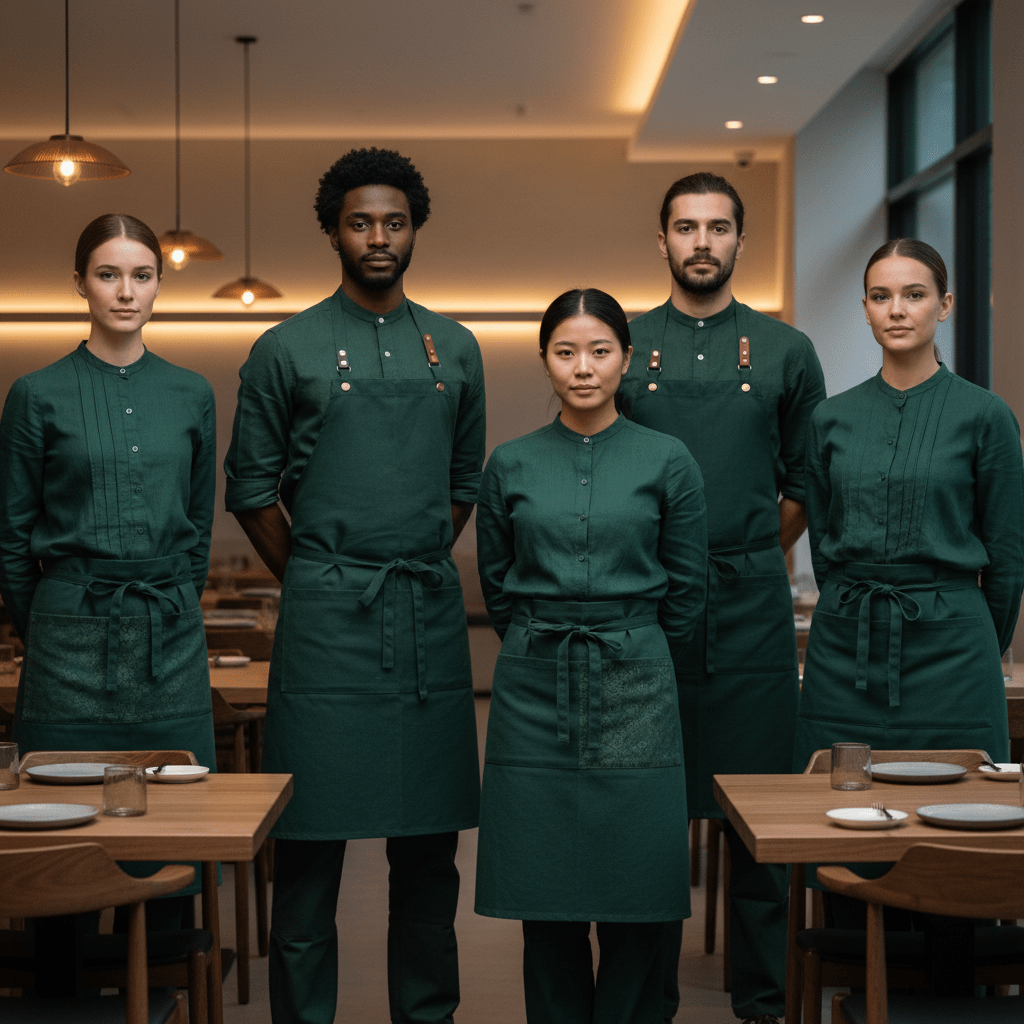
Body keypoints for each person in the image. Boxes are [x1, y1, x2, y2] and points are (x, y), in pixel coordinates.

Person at [224, 147, 484, 1024]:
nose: (379, 237)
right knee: (307, 854)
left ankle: (428, 1014)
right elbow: (250, 487)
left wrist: (405, 557)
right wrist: (321, 575)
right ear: (333, 230)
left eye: (395, 221)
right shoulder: (283, 347)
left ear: (416, 230)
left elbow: (463, 483)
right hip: (325, 625)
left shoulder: (457, 346)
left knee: (429, 857)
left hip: (425, 619)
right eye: (360, 222)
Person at [619, 172, 826, 1024]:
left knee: (761, 812)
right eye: (684, 227)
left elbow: (806, 477)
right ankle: (645, 1001)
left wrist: (750, 556)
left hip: (751, 606)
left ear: (742, 242)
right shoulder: (622, 343)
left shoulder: (786, 350)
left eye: (717, 228)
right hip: (649, 603)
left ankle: (766, 1002)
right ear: (660, 241)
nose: (701, 242)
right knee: (652, 811)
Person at [475, 288, 707, 1024]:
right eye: (566, 351)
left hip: (637, 674)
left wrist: (632, 643)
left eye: (600, 351)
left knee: (638, 880)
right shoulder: (509, 464)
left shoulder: (668, 460)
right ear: (545, 359)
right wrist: (547, 635)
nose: (583, 368)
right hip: (534, 681)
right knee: (544, 883)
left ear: (627, 359)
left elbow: (688, 590)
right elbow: (497, 587)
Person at [0, 213, 217, 906]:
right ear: (80, 285)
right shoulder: (35, 395)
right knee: (51, 822)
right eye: (108, 274)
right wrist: (47, 625)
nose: (126, 291)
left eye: (142, 275)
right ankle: (55, 974)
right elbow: (10, 535)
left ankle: (171, 964)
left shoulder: (192, 393)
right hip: (66, 633)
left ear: (158, 286)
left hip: (169, 634)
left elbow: (200, 525)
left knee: (180, 814)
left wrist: (179, 603)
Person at [794, 238, 1024, 768]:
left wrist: (975, 641)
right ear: (867, 308)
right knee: (829, 801)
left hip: (956, 651)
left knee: (961, 814)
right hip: (845, 644)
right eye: (880, 296)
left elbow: (1008, 558)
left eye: (914, 294)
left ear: (944, 305)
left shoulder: (986, 416)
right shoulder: (830, 419)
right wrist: (850, 608)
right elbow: (826, 546)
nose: (896, 310)